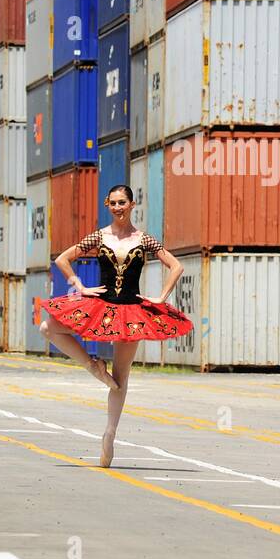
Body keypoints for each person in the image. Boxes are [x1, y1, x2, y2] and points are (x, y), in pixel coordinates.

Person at [37, 184, 192, 468]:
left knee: (120, 379)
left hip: (131, 311)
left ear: (133, 205)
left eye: (123, 203)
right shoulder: (99, 236)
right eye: (113, 203)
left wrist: (160, 297)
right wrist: (79, 286)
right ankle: (91, 364)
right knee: (48, 327)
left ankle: (110, 433)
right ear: (108, 205)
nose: (118, 207)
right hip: (101, 305)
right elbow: (62, 259)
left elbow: (176, 266)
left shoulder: (144, 239)